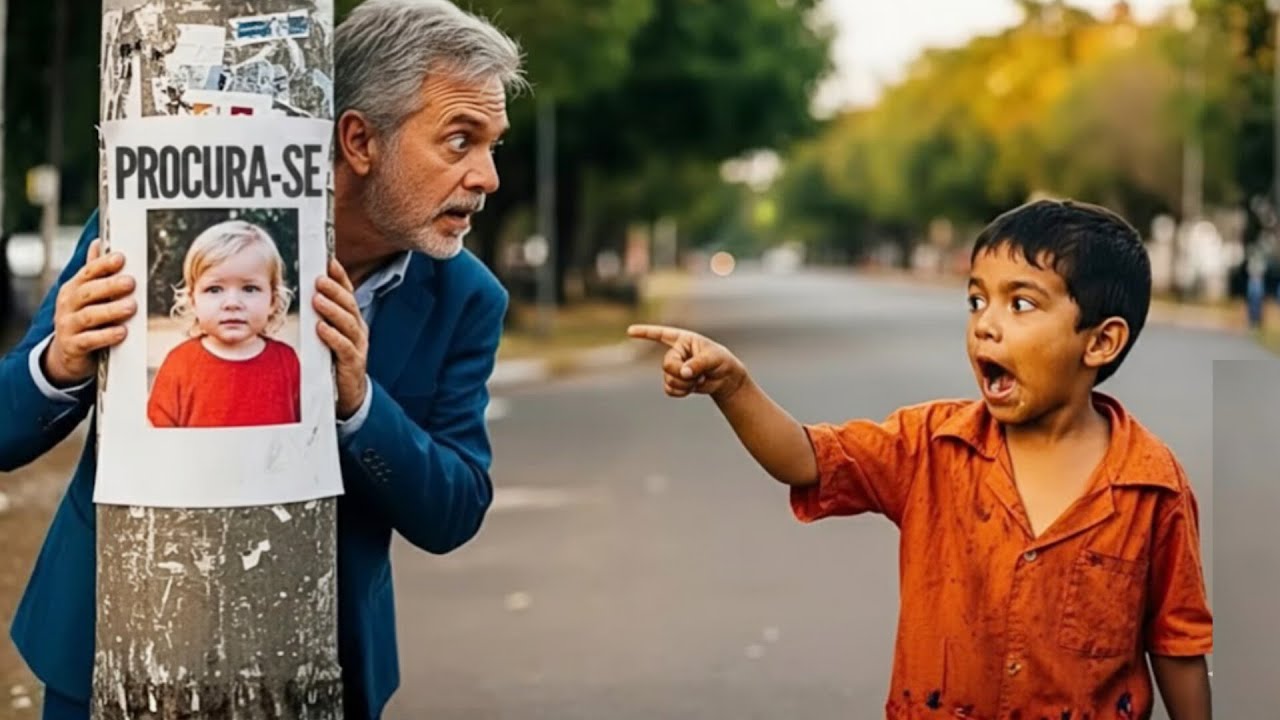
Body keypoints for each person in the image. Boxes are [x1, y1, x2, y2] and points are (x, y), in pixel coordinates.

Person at [0, 1, 524, 718]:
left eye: (492, 145)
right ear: (360, 139)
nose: (488, 177)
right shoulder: (157, 217)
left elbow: (454, 510)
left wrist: (359, 404)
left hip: (316, 671)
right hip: (106, 650)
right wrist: (58, 363)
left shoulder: (468, 299)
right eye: (460, 142)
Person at [629, 199, 1213, 719]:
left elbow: (1177, 645)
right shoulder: (929, 445)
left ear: (1100, 342)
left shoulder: (1152, 485)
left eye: (1021, 304)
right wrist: (734, 385)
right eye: (978, 299)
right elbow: (807, 459)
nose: (985, 324)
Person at [147, 219, 301, 428]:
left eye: (249, 289)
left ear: (273, 300)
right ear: (193, 300)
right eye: (215, 289)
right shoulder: (179, 364)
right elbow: (159, 437)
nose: (232, 304)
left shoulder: (288, 362)